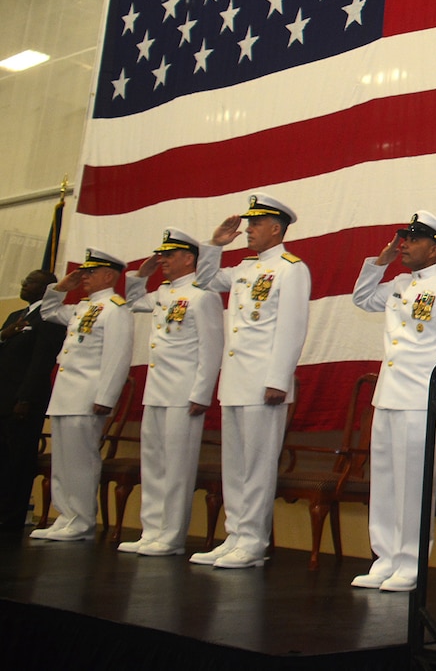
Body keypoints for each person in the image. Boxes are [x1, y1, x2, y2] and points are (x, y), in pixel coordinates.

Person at [348, 211, 436, 592]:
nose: (403, 244)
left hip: (423, 399)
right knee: (384, 482)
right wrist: (379, 263)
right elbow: (362, 298)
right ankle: (385, 558)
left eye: (412, 239)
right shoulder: (400, 283)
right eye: (403, 238)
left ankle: (411, 562)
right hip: (388, 396)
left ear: (433, 247)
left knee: (415, 485)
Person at [190, 193, 311, 569]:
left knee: (257, 466)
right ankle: (236, 535)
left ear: (276, 228)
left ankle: (254, 541)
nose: (248, 230)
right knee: (236, 464)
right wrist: (214, 245)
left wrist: (278, 379)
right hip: (236, 381)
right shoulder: (244, 268)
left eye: (255, 224)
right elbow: (205, 279)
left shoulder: (291, 268)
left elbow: (292, 328)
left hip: (264, 384)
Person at [119, 228, 223, 555]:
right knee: (153, 464)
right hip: (157, 390)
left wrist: (201, 393)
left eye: (169, 255)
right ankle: (151, 530)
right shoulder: (163, 292)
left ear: (189, 258)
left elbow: (211, 347)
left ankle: (171, 535)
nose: (162, 260)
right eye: (161, 254)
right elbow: (133, 303)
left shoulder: (202, 294)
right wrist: (142, 274)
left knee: (177, 468)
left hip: (183, 393)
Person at [30, 251, 134, 541]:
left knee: (81, 461)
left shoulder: (115, 309)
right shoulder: (82, 307)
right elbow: (48, 312)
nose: (84, 277)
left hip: (88, 397)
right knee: (63, 461)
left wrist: (106, 396)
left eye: (91, 272)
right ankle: (66, 516)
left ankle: (82, 521)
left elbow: (118, 356)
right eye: (83, 273)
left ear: (109, 276)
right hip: (66, 395)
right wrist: (61, 288)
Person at [0, 268, 62, 530]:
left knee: (19, 459)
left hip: (24, 400)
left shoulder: (47, 318)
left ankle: (12, 516)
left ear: (47, 288)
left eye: (32, 281)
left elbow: (40, 362)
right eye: (26, 280)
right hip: (4, 397)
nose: (24, 284)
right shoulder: (17, 316)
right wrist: (6, 334)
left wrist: (25, 398)